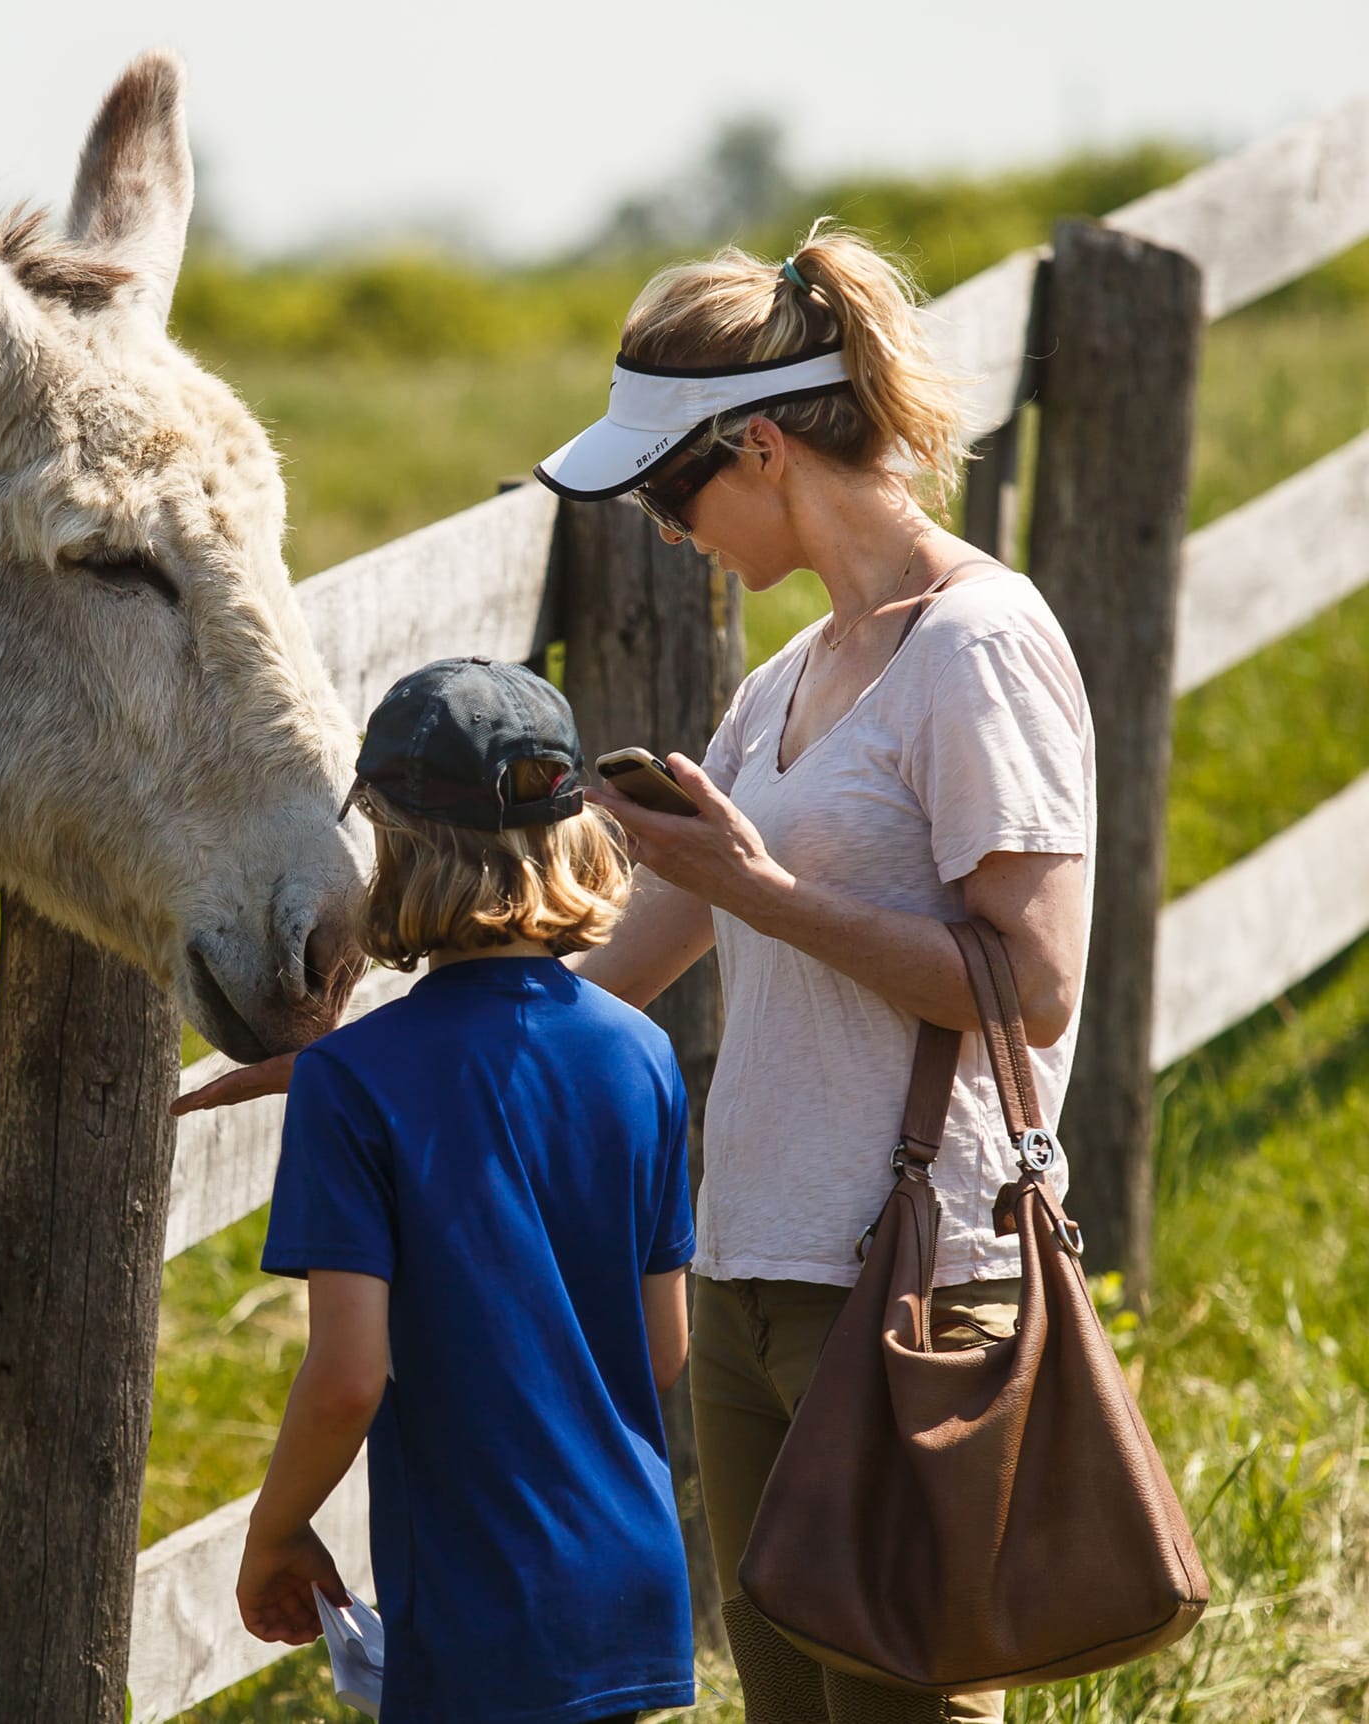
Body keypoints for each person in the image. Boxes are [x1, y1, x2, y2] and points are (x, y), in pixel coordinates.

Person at [191, 224, 1095, 1724]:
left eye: (674, 489)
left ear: (758, 446)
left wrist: (763, 891)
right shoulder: (784, 685)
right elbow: (601, 984)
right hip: (751, 1277)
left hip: (908, 1281)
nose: (671, 530)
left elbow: (1032, 982)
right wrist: (376, 1063)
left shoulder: (980, 647)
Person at [235, 656, 698, 1724]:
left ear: (389, 845)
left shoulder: (352, 1079)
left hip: (480, 1602)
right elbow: (659, 1345)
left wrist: (274, 1527)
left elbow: (349, 1374)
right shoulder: (641, 1052)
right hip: (628, 1577)